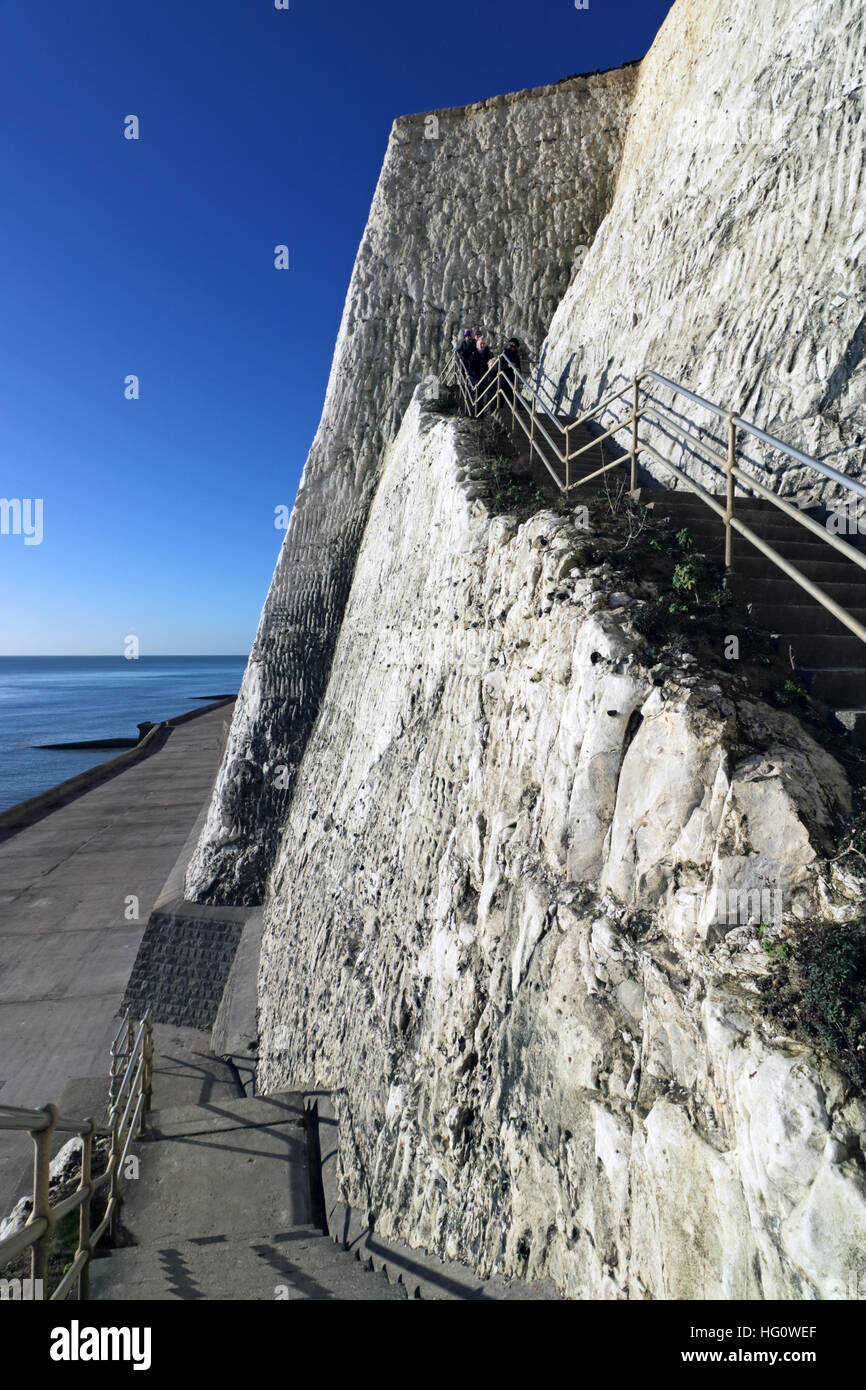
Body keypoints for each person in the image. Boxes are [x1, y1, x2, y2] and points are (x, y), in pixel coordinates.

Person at [500, 336, 523, 408]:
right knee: (501, 398)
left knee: (511, 399)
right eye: (510, 345)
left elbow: (519, 368)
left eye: (513, 346)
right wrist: (507, 366)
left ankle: (512, 414)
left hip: (512, 380)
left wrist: (516, 368)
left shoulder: (516, 357)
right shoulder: (504, 354)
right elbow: (499, 367)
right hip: (504, 379)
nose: (511, 347)